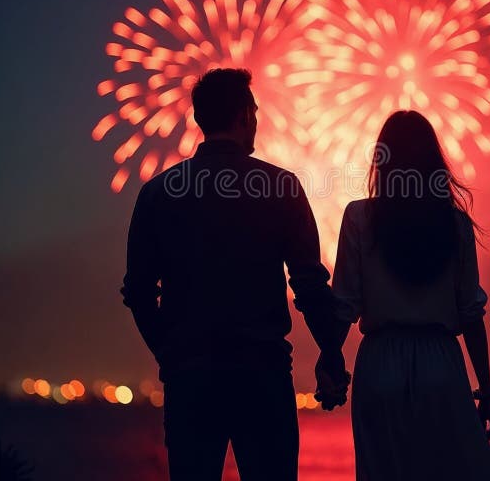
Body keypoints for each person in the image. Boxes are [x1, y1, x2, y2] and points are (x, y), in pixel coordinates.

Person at [121, 68, 349, 481]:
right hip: (262, 376)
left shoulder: (158, 193)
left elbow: (137, 293)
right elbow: (310, 286)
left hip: (190, 379)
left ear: (200, 119)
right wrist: (331, 351)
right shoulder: (281, 187)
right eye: (255, 112)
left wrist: (170, 354)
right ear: (245, 115)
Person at [330, 110, 490, 481]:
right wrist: (485, 391)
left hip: (379, 363)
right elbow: (471, 312)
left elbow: (344, 304)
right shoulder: (454, 223)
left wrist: (329, 360)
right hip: (440, 362)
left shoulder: (359, 217)